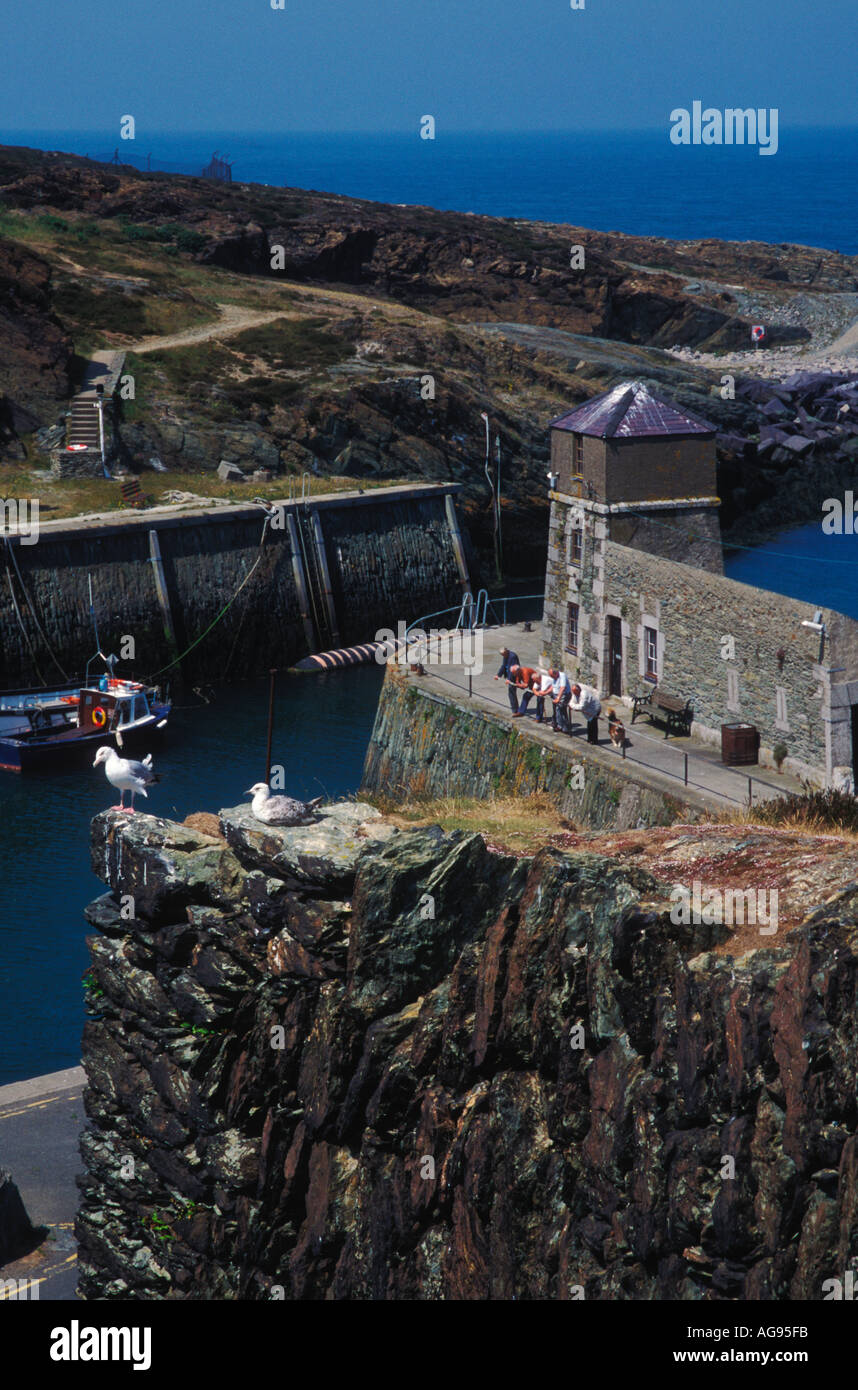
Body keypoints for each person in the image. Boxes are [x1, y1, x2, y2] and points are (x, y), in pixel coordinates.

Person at [542, 667, 572, 733]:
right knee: (560, 711)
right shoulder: (554, 677)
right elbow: (553, 686)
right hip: (556, 694)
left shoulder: (562, 676)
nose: (552, 678)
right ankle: (563, 727)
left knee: (559, 709)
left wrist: (558, 698)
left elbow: (562, 687)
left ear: (555, 673)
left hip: (563, 695)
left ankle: (561, 726)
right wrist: (545, 692)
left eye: (552, 676)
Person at [495, 647, 521, 713]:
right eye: (502, 655)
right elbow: (504, 666)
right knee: (511, 693)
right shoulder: (505, 655)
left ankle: (515, 710)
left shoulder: (513, 656)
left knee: (511, 693)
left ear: (506, 651)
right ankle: (515, 708)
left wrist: (509, 679)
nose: (503, 656)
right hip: (509, 676)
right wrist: (498, 675)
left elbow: (513, 669)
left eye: (504, 654)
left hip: (514, 677)